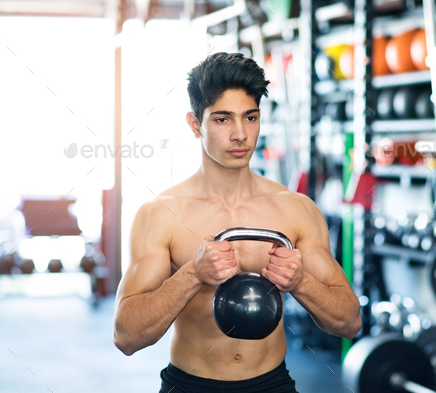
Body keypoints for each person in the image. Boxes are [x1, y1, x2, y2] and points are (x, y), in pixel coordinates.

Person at [113, 52, 361, 393]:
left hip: (271, 384)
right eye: (222, 119)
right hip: (190, 385)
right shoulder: (161, 214)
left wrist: (301, 281)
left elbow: (349, 321)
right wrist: (192, 274)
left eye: (250, 117)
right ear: (195, 124)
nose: (241, 134)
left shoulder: (296, 210)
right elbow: (126, 336)